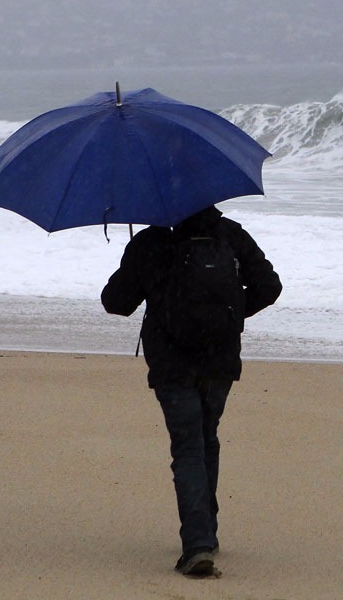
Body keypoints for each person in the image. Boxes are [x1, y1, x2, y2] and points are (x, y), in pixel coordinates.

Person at [101, 205, 282, 576]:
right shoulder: (230, 233)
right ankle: (207, 534)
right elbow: (269, 286)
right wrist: (229, 314)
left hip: (172, 364)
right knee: (206, 438)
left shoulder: (150, 242)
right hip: (220, 359)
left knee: (188, 447)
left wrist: (139, 263)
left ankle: (198, 544)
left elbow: (116, 303)